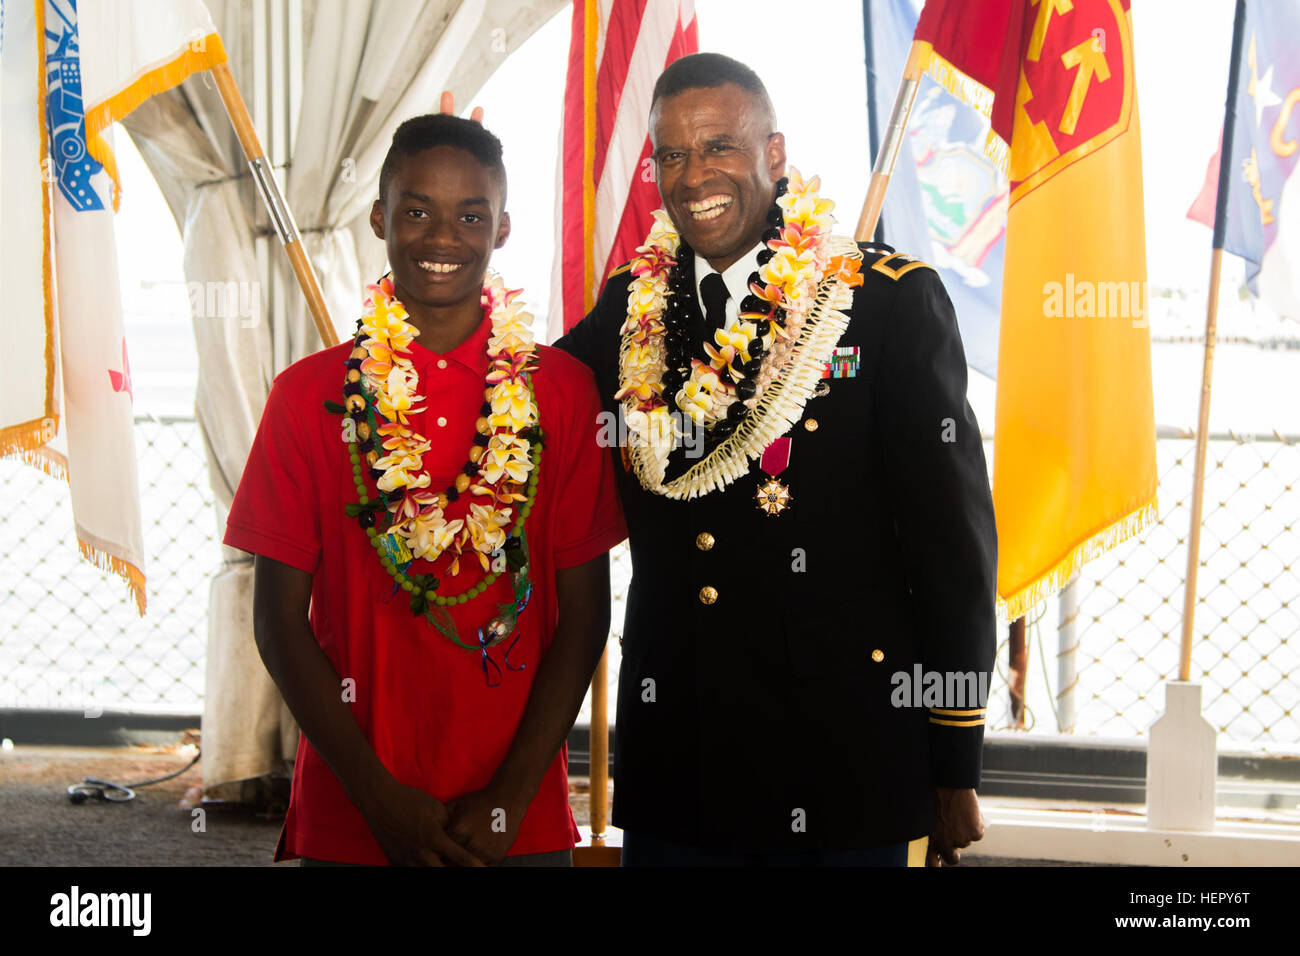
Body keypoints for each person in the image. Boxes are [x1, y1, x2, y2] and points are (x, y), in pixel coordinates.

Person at [555, 53, 997, 866]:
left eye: (720, 147)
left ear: (776, 154)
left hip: (839, 757)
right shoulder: (630, 304)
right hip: (680, 751)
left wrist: (953, 759)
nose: (696, 177)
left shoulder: (884, 300)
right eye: (674, 157)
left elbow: (952, 551)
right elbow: (538, 412)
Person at [223, 113, 626, 866]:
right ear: (380, 217)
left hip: (518, 819)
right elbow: (278, 625)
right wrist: (377, 799)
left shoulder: (565, 393)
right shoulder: (306, 396)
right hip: (354, 813)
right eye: (417, 211)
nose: (443, 239)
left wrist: (508, 799)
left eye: (470, 215)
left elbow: (585, 618)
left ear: (502, 228)